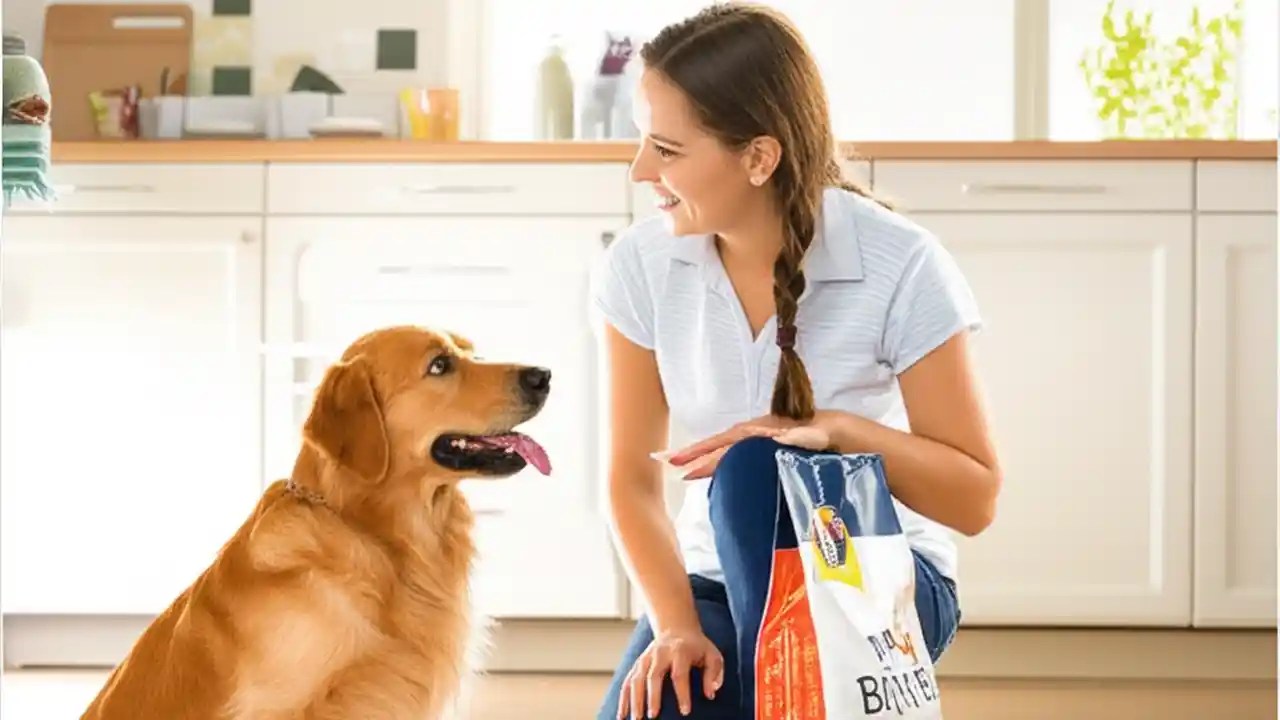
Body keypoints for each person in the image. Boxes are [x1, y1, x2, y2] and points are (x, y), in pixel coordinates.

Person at [590, 4, 1002, 719]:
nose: (640, 170)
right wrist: (677, 628)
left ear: (759, 158)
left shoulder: (900, 263)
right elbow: (630, 482)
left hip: (879, 576)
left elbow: (974, 500)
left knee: (756, 469)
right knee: (669, 694)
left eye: (668, 149)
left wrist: (836, 432)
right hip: (713, 587)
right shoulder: (641, 266)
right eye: (641, 141)